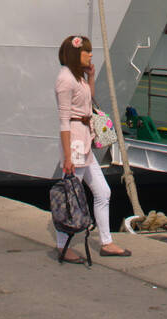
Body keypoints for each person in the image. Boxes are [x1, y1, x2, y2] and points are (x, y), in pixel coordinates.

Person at [55, 35, 131, 261]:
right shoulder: (65, 80)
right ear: (74, 54)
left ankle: (106, 242)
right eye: (86, 51)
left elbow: (88, 102)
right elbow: (64, 121)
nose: (90, 54)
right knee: (71, 197)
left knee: (103, 192)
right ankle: (62, 245)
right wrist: (67, 156)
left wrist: (91, 77)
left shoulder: (76, 78)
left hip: (84, 142)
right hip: (76, 144)